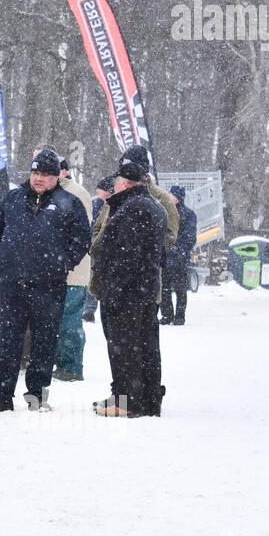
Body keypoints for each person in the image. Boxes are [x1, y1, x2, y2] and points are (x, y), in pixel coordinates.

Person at [0, 148, 90, 412]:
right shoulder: (13, 198)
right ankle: (0, 396)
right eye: (35, 173)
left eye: (45, 174)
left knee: (44, 341)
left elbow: (82, 238)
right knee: (7, 340)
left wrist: (64, 263)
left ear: (56, 177)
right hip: (13, 282)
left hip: (49, 284)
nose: (39, 178)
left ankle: (36, 396)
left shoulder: (68, 203)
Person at [90, 149, 168, 417]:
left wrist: (111, 284)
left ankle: (128, 401)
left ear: (123, 183)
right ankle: (147, 399)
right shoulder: (154, 207)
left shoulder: (130, 208)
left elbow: (120, 252)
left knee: (124, 348)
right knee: (145, 346)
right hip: (144, 290)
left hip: (124, 292)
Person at [52, 156, 94, 380]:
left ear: (64, 172)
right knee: (60, 320)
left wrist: (65, 259)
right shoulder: (56, 193)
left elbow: (79, 233)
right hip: (58, 268)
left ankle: (71, 367)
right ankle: (63, 363)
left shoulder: (76, 194)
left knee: (69, 320)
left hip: (72, 271)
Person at [161, 185, 198, 324]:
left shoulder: (188, 214)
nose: (169, 196)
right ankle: (167, 315)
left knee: (180, 288)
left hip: (179, 258)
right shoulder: (164, 212)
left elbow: (190, 237)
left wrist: (177, 249)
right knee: (164, 288)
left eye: (172, 194)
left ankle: (180, 315)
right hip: (165, 257)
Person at [82, 176, 113, 324]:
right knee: (93, 278)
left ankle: (90, 309)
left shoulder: (102, 205)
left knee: (94, 278)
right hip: (96, 247)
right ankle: (89, 309)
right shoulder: (97, 205)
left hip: (99, 247)